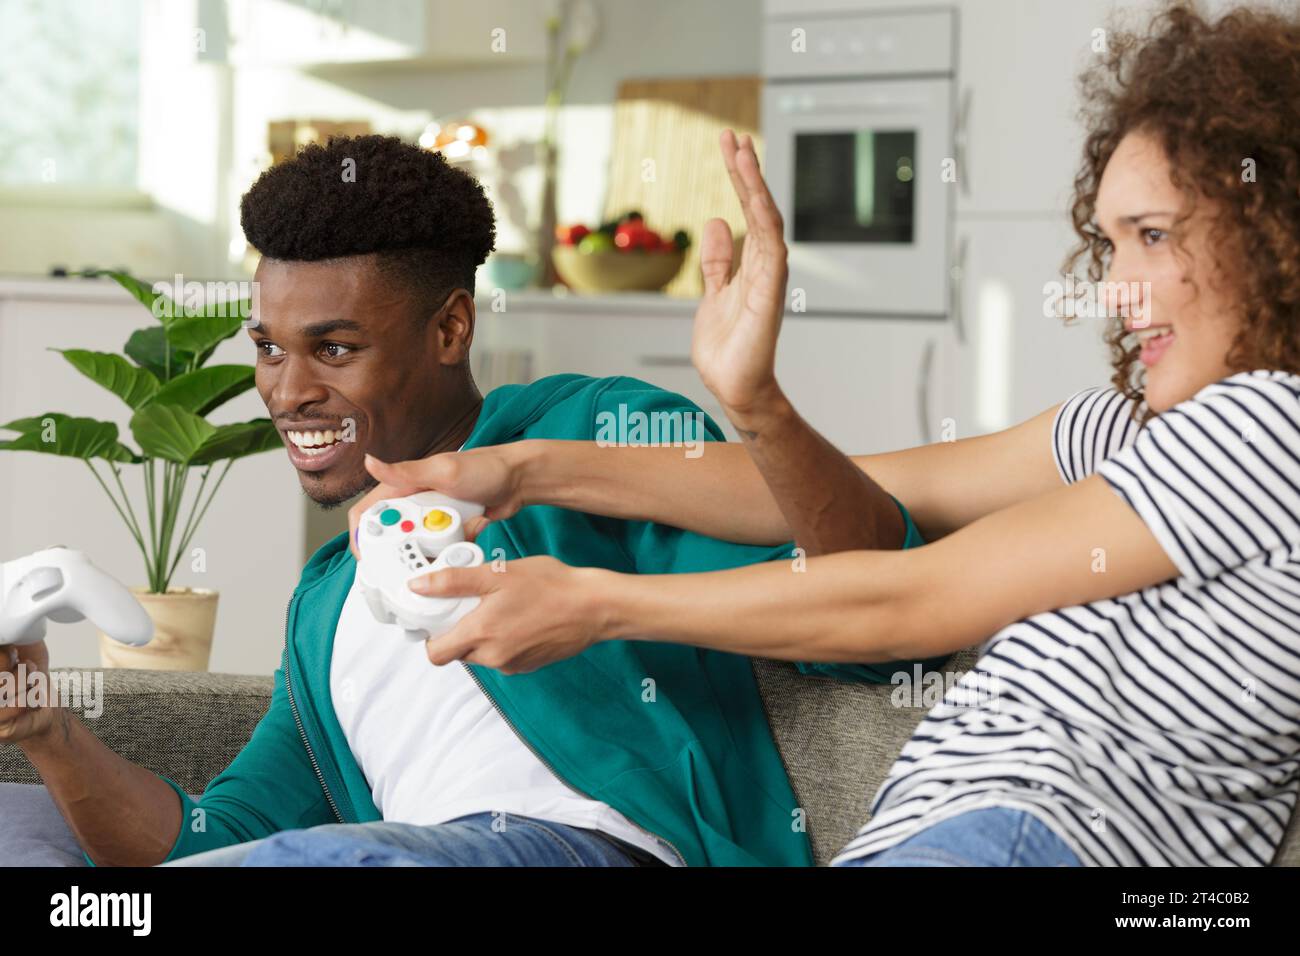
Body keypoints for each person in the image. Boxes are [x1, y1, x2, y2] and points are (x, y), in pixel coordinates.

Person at [354, 2, 1300, 866]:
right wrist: (524, 469)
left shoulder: (1268, 424)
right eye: (1111, 241)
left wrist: (600, 603)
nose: (1113, 288)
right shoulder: (1123, 431)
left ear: (1276, 231)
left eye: (1156, 235)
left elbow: (912, 599)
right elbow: (855, 495)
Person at [1, 135, 937, 869]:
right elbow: (217, 835)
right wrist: (45, 728)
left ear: (451, 327)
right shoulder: (325, 600)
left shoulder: (597, 429)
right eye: (270, 348)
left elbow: (872, 590)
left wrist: (753, 402)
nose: (286, 392)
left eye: (333, 349)